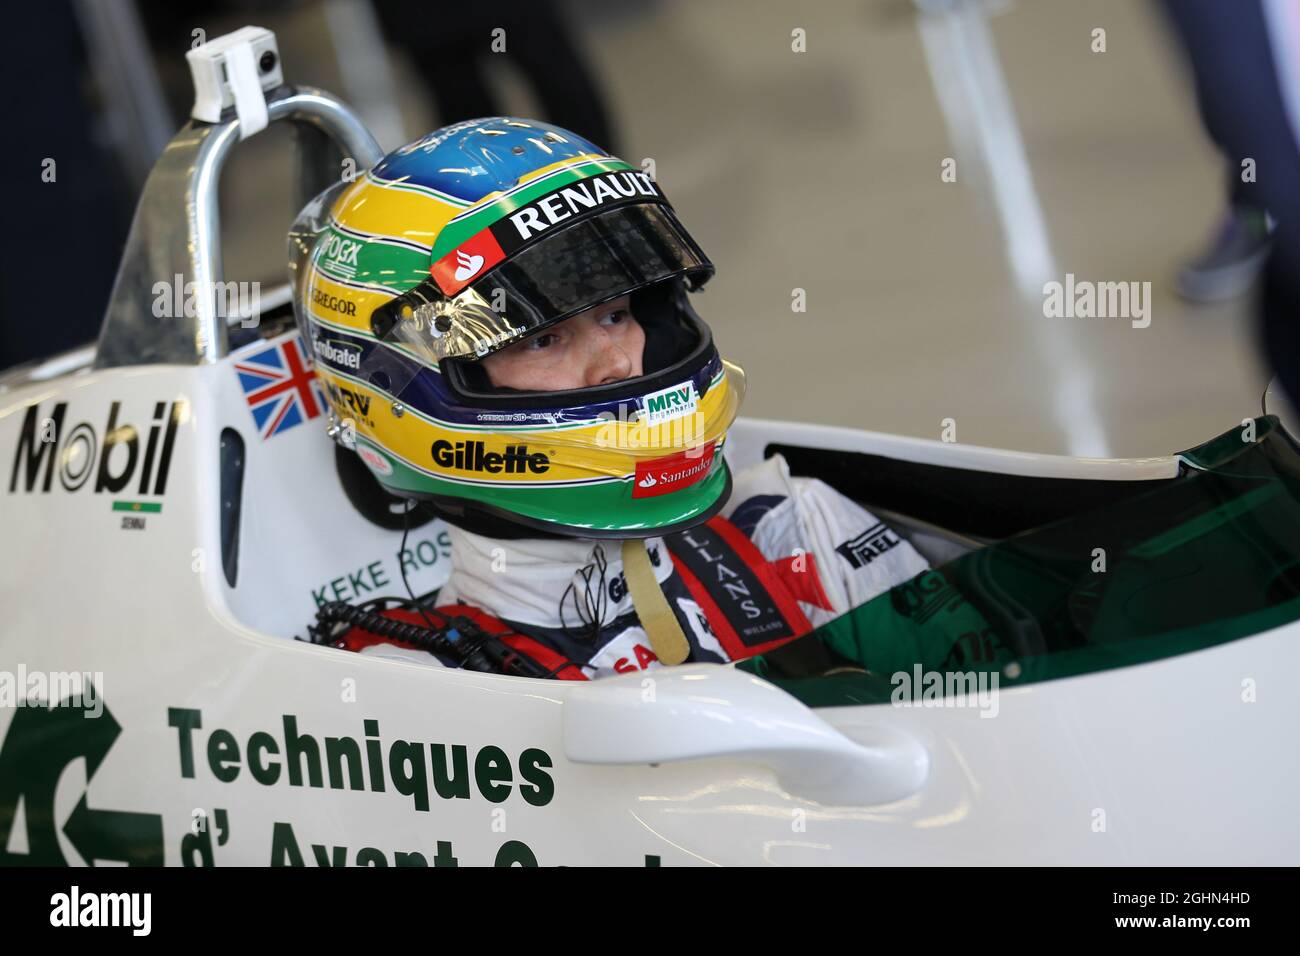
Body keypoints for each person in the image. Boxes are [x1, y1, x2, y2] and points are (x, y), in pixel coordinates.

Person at [289, 117, 928, 679]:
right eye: (542, 339)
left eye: (619, 315)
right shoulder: (423, 686)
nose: (618, 362)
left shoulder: (793, 532)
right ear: (398, 389)